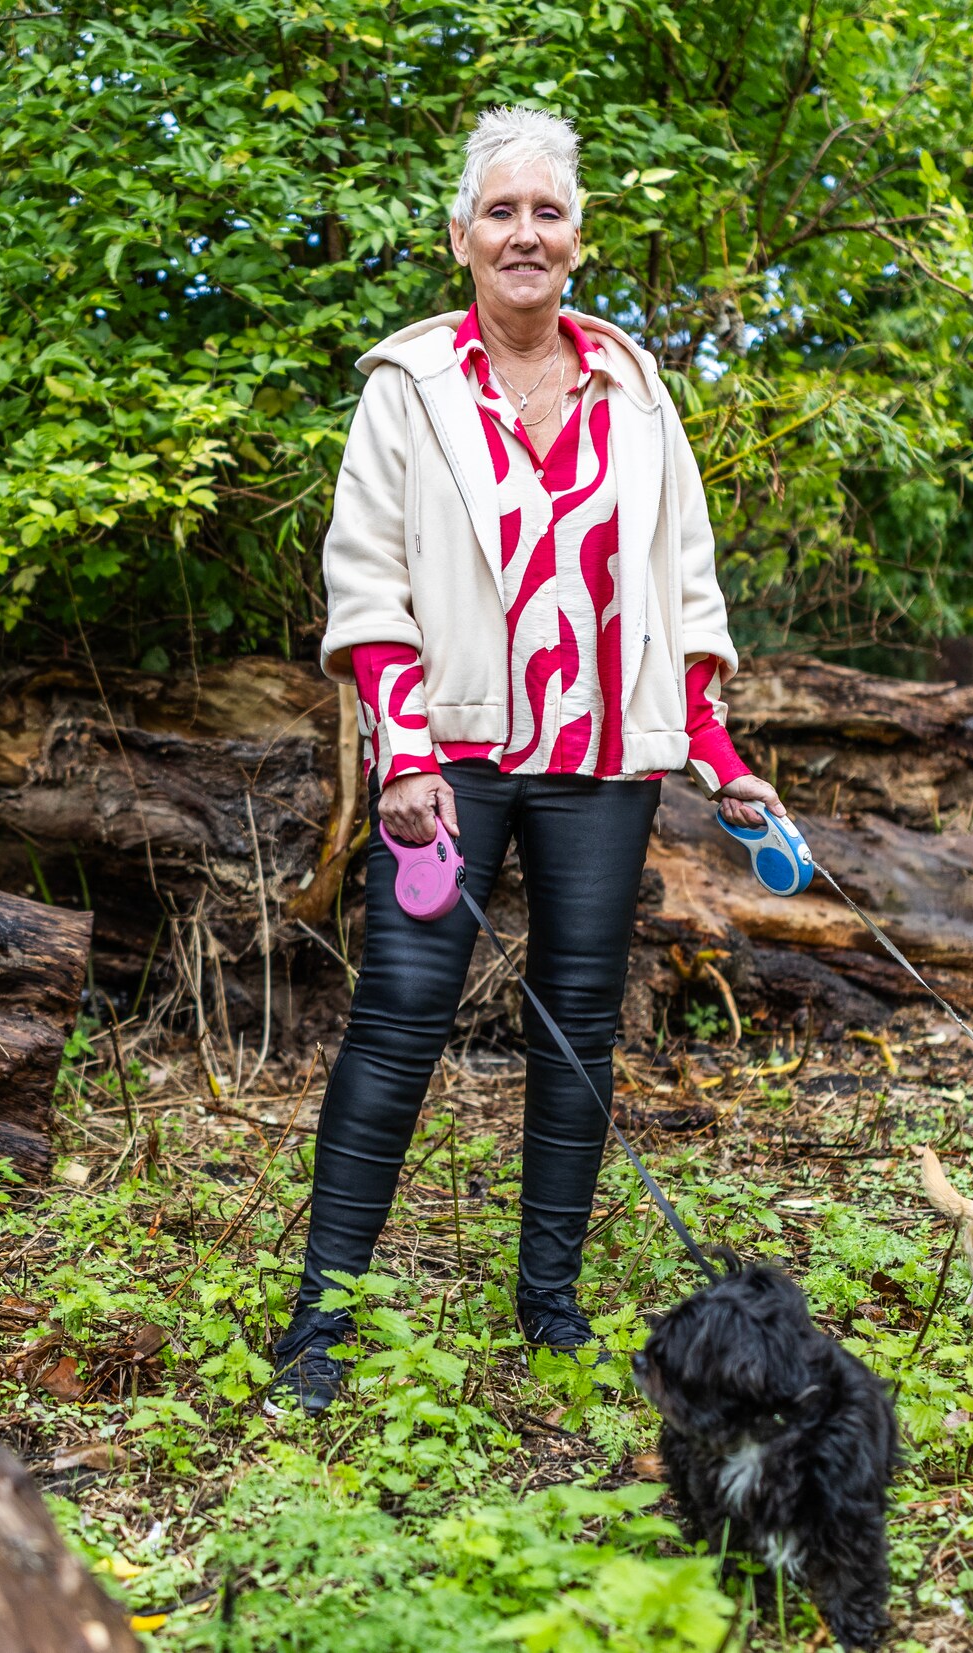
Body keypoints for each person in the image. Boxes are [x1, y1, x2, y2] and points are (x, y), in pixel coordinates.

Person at [269, 108, 787, 1416]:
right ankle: (320, 1322)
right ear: (461, 238)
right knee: (396, 1019)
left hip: (602, 763)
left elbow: (683, 589)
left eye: (546, 212)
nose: (524, 234)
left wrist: (717, 752)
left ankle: (548, 1308)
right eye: (500, 212)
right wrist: (401, 747)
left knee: (579, 1032)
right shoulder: (409, 390)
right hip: (446, 765)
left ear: (579, 237)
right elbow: (369, 582)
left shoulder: (636, 388)